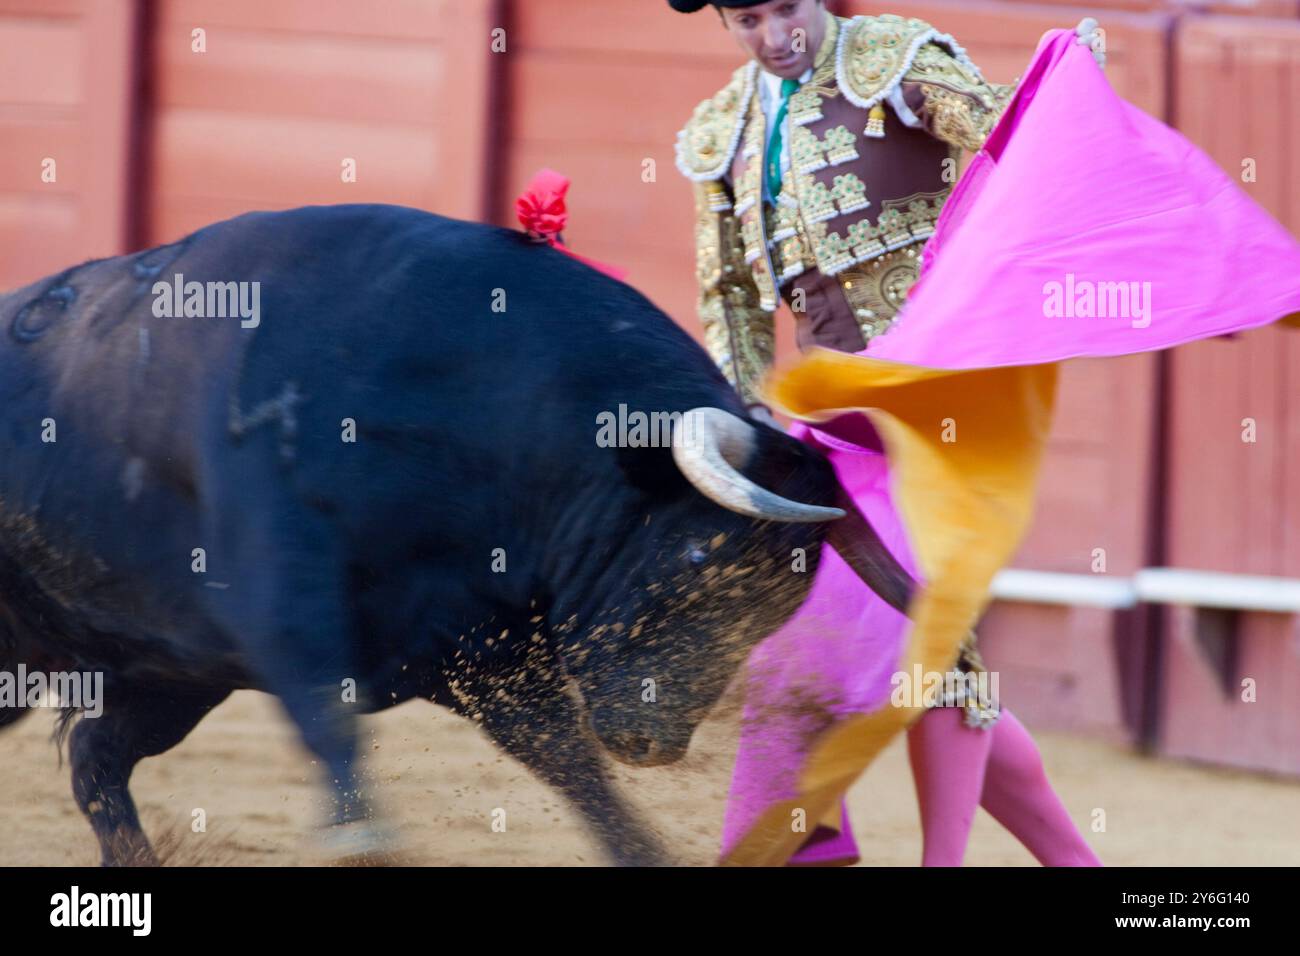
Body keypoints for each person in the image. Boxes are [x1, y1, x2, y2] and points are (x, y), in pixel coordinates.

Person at [672, 0, 1106, 866]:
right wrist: (752, 422)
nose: (773, 36)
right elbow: (730, 299)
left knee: (927, 637)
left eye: (786, 8)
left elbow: (1005, 143)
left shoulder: (895, 60)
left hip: (939, 406)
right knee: (874, 653)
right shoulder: (723, 131)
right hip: (830, 429)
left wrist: (1068, 91)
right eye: (747, 18)